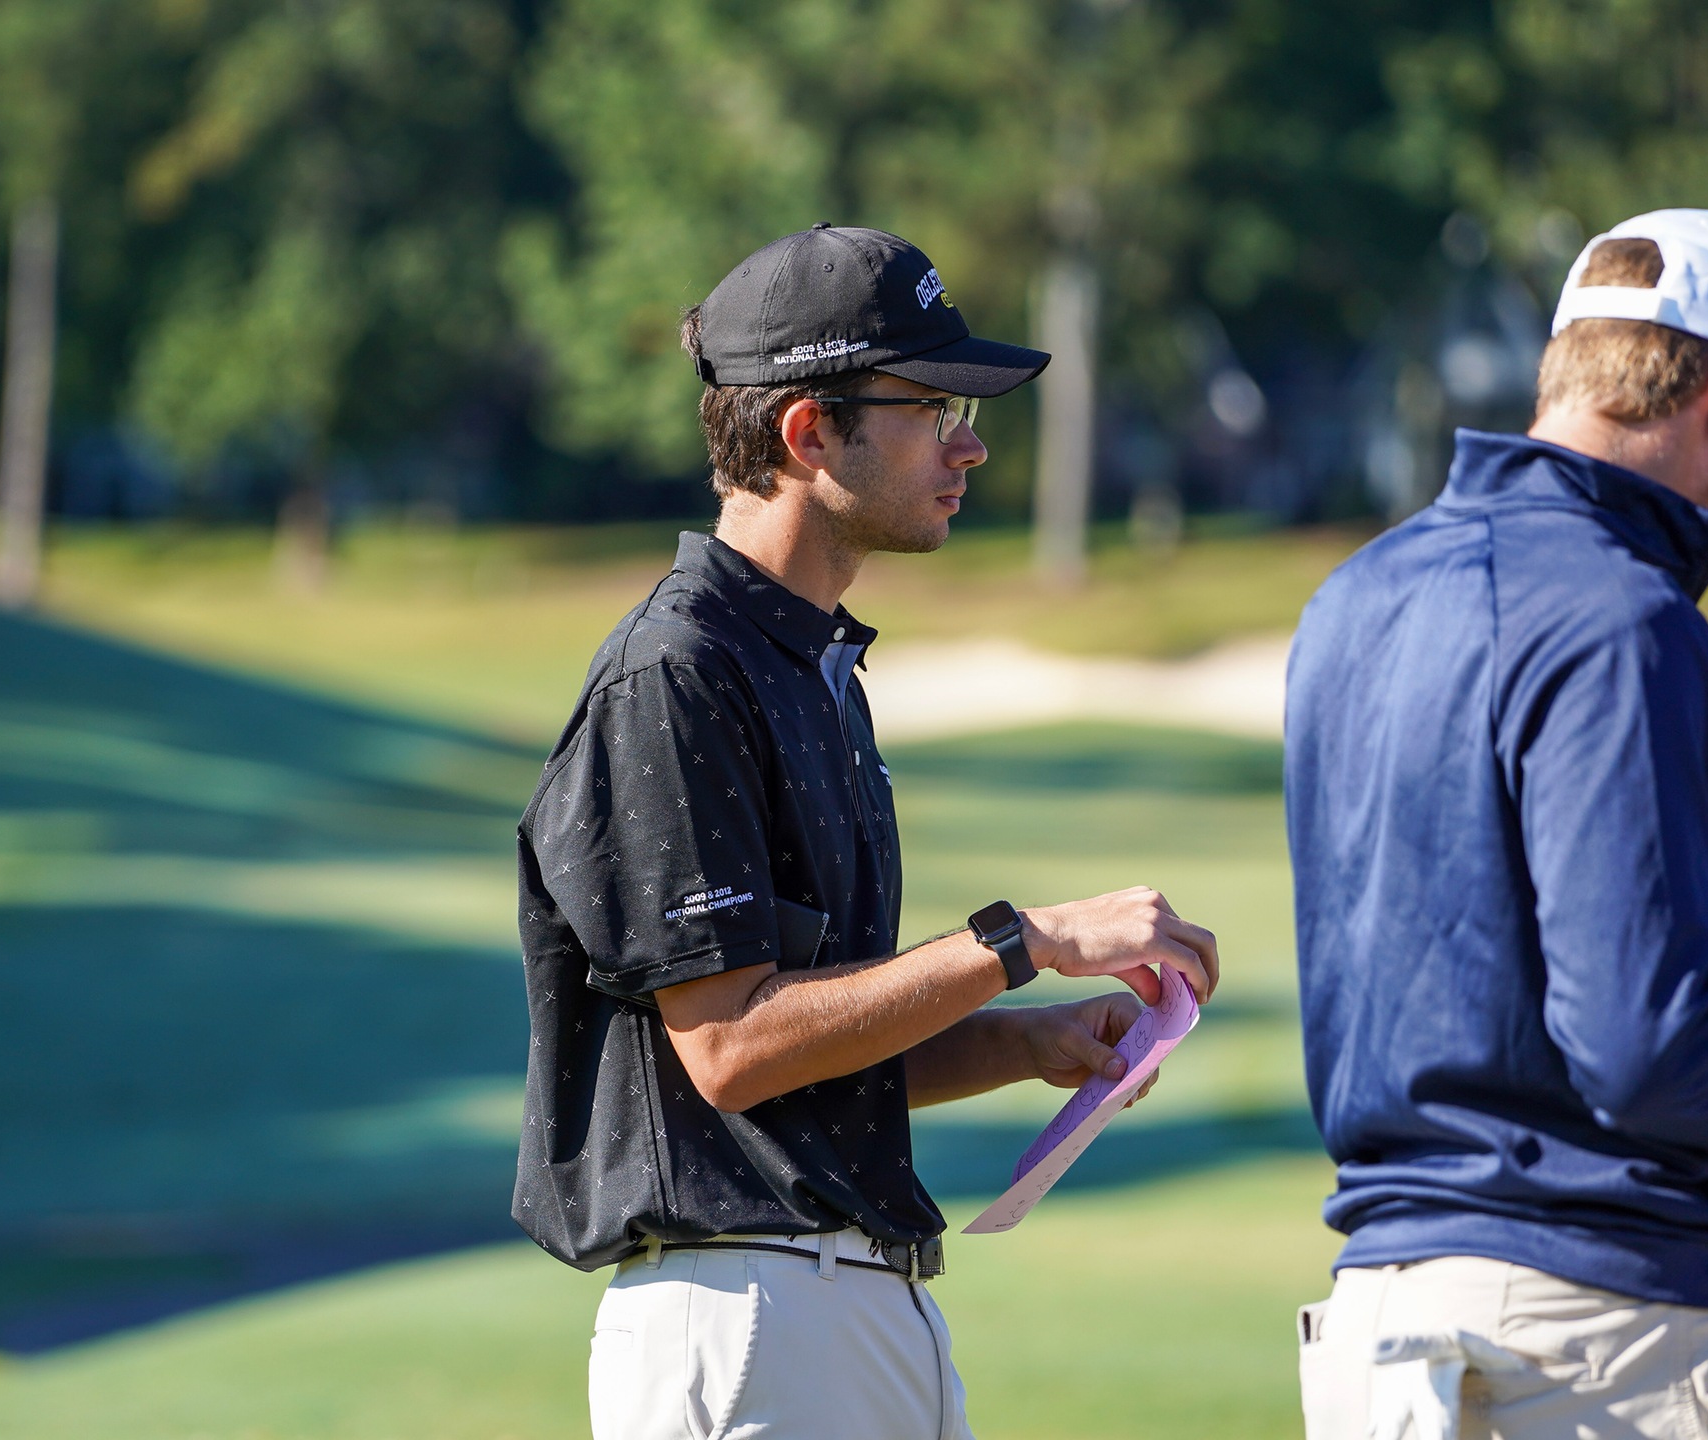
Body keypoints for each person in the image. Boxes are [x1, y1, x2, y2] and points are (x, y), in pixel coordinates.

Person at [513, 223, 1222, 1440]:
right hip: (746, 1317)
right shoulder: (676, 675)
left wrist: (1030, 1042)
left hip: (834, 1305)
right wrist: (1024, 939)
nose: (970, 441)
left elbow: (812, 1051)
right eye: (930, 404)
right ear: (808, 433)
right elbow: (730, 1048)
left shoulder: (808, 664)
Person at [1285, 207, 1708, 1440]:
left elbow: (1509, 993)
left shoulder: (1357, 597)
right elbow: (1647, 1050)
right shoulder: (1627, 618)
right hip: (1606, 1341)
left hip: (1387, 1333)